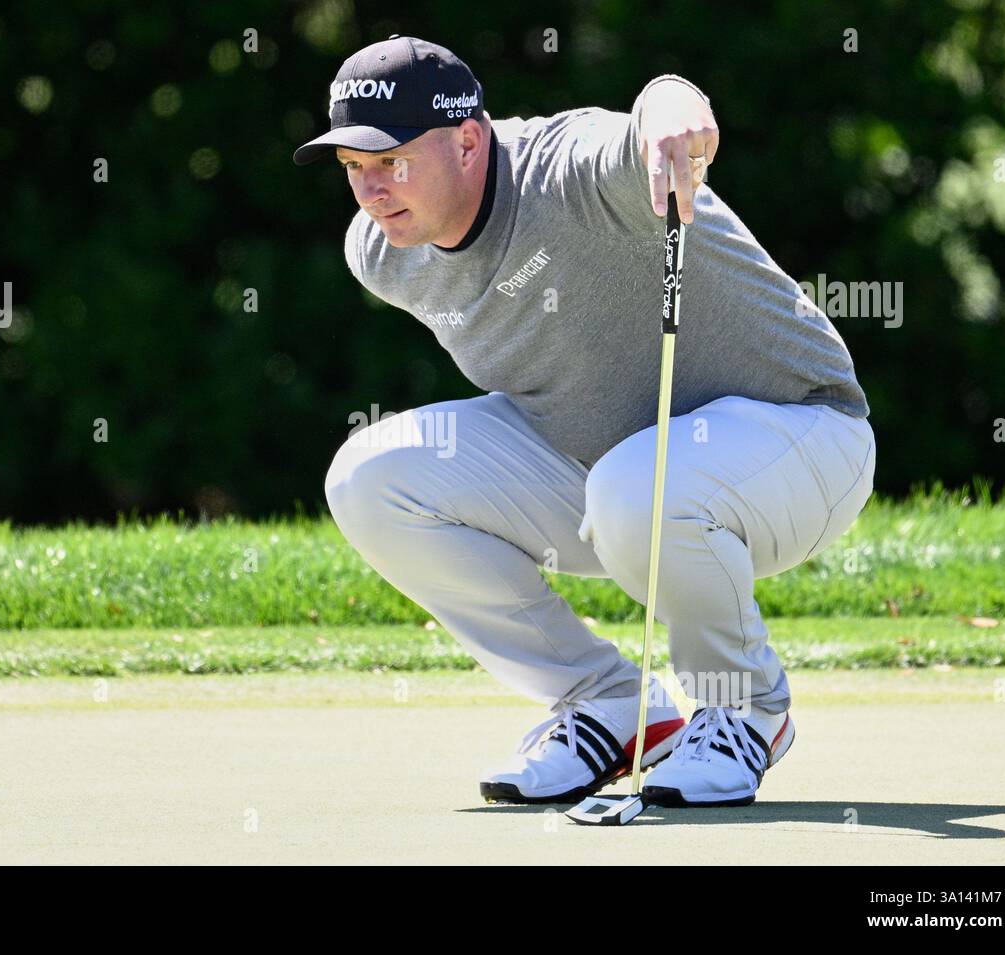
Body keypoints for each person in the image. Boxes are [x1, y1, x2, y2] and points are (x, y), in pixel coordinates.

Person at [293, 35, 875, 807]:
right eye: (353, 168)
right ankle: (608, 702)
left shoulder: (566, 170)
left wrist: (674, 105)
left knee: (641, 486)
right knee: (370, 477)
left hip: (803, 439)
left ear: (469, 141)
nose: (370, 190)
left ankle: (744, 707)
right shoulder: (383, 253)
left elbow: (641, 123)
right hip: (614, 476)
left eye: (391, 161)